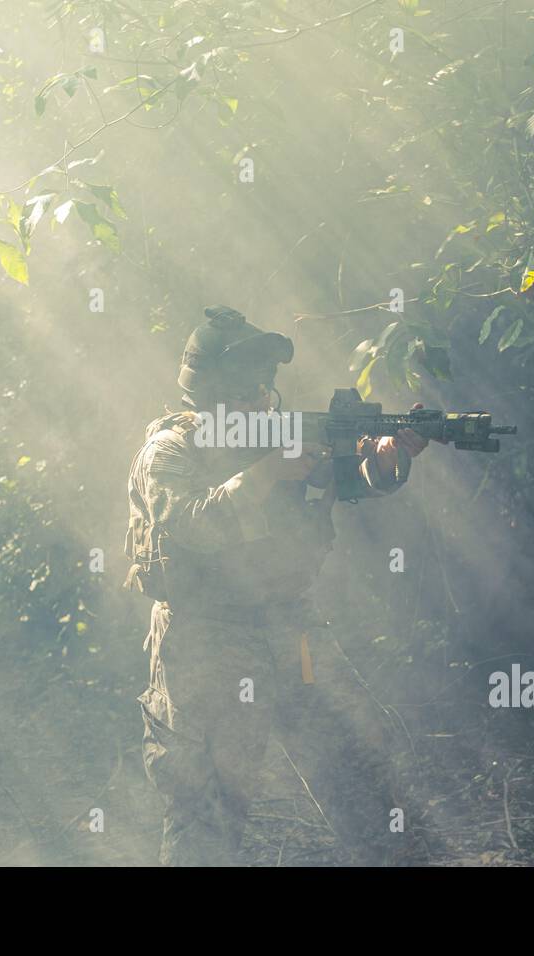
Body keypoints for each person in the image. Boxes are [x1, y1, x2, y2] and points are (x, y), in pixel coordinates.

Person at [124, 305, 431, 865]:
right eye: (246, 388)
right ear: (211, 394)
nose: (262, 398)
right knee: (206, 806)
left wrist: (385, 464)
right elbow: (193, 524)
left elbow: (348, 482)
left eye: (266, 385)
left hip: (291, 629)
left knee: (355, 773)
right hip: (206, 641)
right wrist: (267, 472)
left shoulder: (283, 435)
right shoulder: (169, 450)